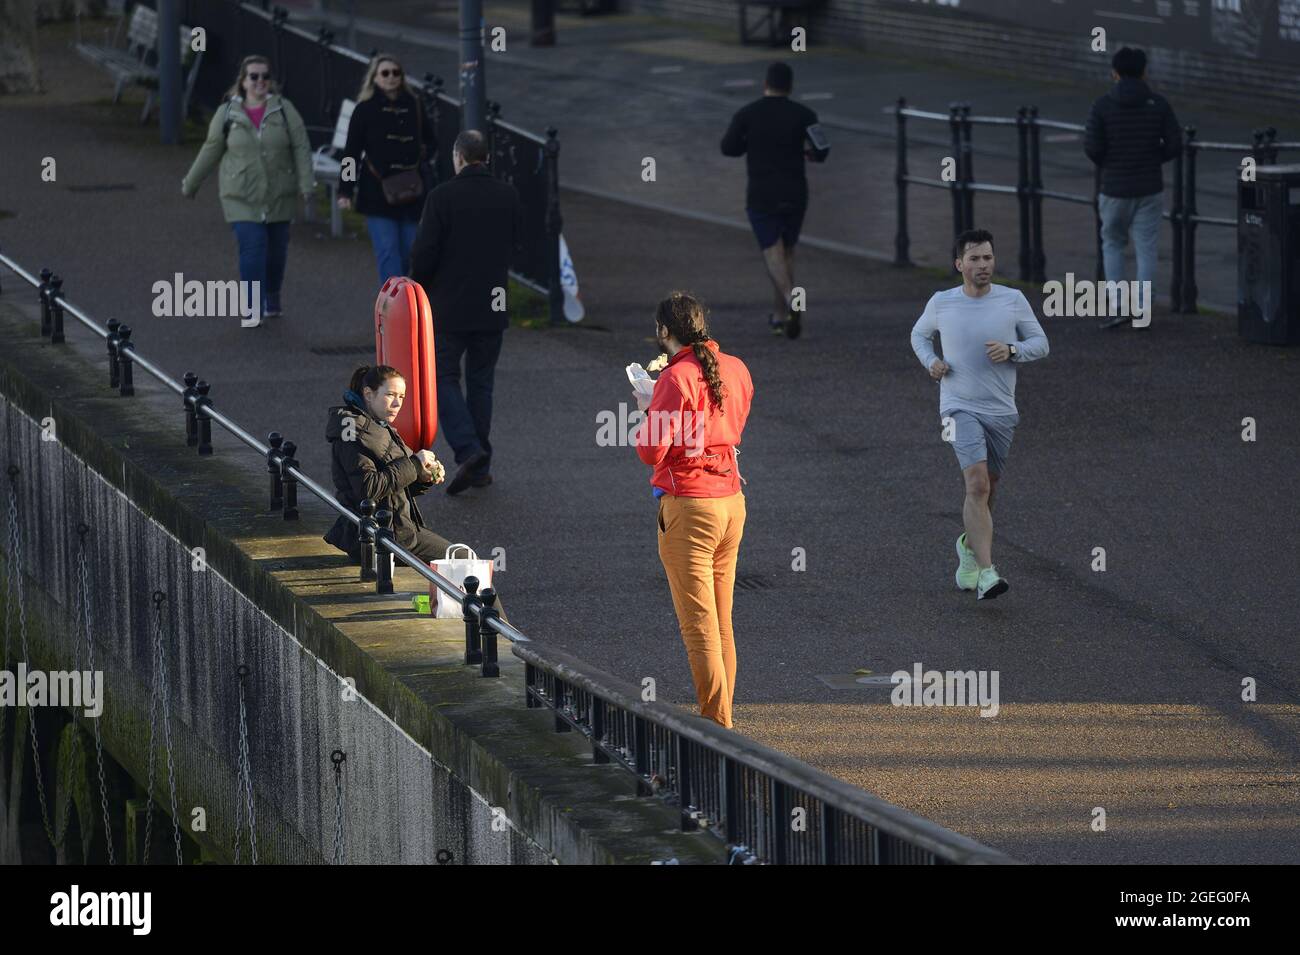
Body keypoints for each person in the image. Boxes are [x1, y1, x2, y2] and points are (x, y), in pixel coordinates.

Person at [633, 292, 754, 729]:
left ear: (664, 332)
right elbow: (733, 424)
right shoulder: (737, 368)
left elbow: (651, 450)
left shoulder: (675, 377)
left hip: (689, 505)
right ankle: (723, 715)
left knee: (697, 626)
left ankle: (716, 726)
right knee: (721, 622)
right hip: (730, 501)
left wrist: (647, 408)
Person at [909, 230, 1049, 600]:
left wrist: (1012, 350)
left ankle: (969, 551)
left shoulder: (1012, 300)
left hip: (1001, 409)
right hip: (957, 405)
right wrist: (932, 362)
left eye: (988, 258)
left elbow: (1041, 343)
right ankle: (988, 573)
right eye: (974, 259)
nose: (983, 265)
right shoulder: (942, 302)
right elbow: (919, 336)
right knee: (977, 484)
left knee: (990, 487)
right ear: (959, 265)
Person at [409, 130, 522, 495]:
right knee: (481, 382)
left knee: (442, 377)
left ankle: (468, 449)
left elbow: (424, 254)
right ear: (485, 157)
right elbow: (516, 245)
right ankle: (481, 464)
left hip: (449, 305)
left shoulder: (442, 197)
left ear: (458, 157)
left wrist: (418, 286)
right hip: (492, 304)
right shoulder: (507, 194)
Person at [182, 55, 313, 326]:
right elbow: (211, 149)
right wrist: (191, 183)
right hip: (240, 195)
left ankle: (272, 295)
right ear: (243, 81)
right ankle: (252, 307)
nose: (260, 81)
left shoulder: (285, 110)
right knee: (252, 248)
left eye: (265, 76)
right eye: (253, 76)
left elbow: (301, 146)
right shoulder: (227, 113)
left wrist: (306, 184)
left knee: (277, 251)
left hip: (279, 194)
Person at [720, 61, 827, 340]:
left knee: (771, 251)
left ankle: (792, 300)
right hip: (795, 193)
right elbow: (822, 149)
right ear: (790, 86)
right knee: (786, 252)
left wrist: (750, 143)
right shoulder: (805, 114)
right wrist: (805, 154)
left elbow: (728, 147)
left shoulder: (747, 114)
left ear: (765, 84)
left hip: (762, 194)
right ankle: (780, 317)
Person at [1084, 46, 1181, 329]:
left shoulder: (1101, 106)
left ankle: (1117, 307)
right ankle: (1143, 309)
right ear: (1144, 72)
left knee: (1113, 244)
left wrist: (1111, 163)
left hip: (1113, 188)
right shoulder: (1159, 104)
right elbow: (1175, 144)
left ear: (1114, 73)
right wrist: (1153, 158)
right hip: (1149, 187)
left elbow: (1092, 147)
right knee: (1146, 248)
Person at [324, 365, 452, 563]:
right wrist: (415, 464)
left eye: (401, 397)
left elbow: (394, 486)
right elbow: (368, 489)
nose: (397, 403)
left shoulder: (379, 427)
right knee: (465, 562)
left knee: (464, 561)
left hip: (398, 529)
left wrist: (423, 476)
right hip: (379, 536)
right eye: (390, 394)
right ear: (368, 394)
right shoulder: (352, 433)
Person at [337, 53, 436, 285]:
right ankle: (392, 310)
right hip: (377, 193)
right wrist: (345, 190)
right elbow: (351, 152)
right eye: (385, 73)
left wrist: (421, 156)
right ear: (375, 78)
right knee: (388, 252)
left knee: (410, 254)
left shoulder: (415, 106)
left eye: (396, 73)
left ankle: (405, 303)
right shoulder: (364, 110)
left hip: (412, 190)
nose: (391, 77)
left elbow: (432, 141)